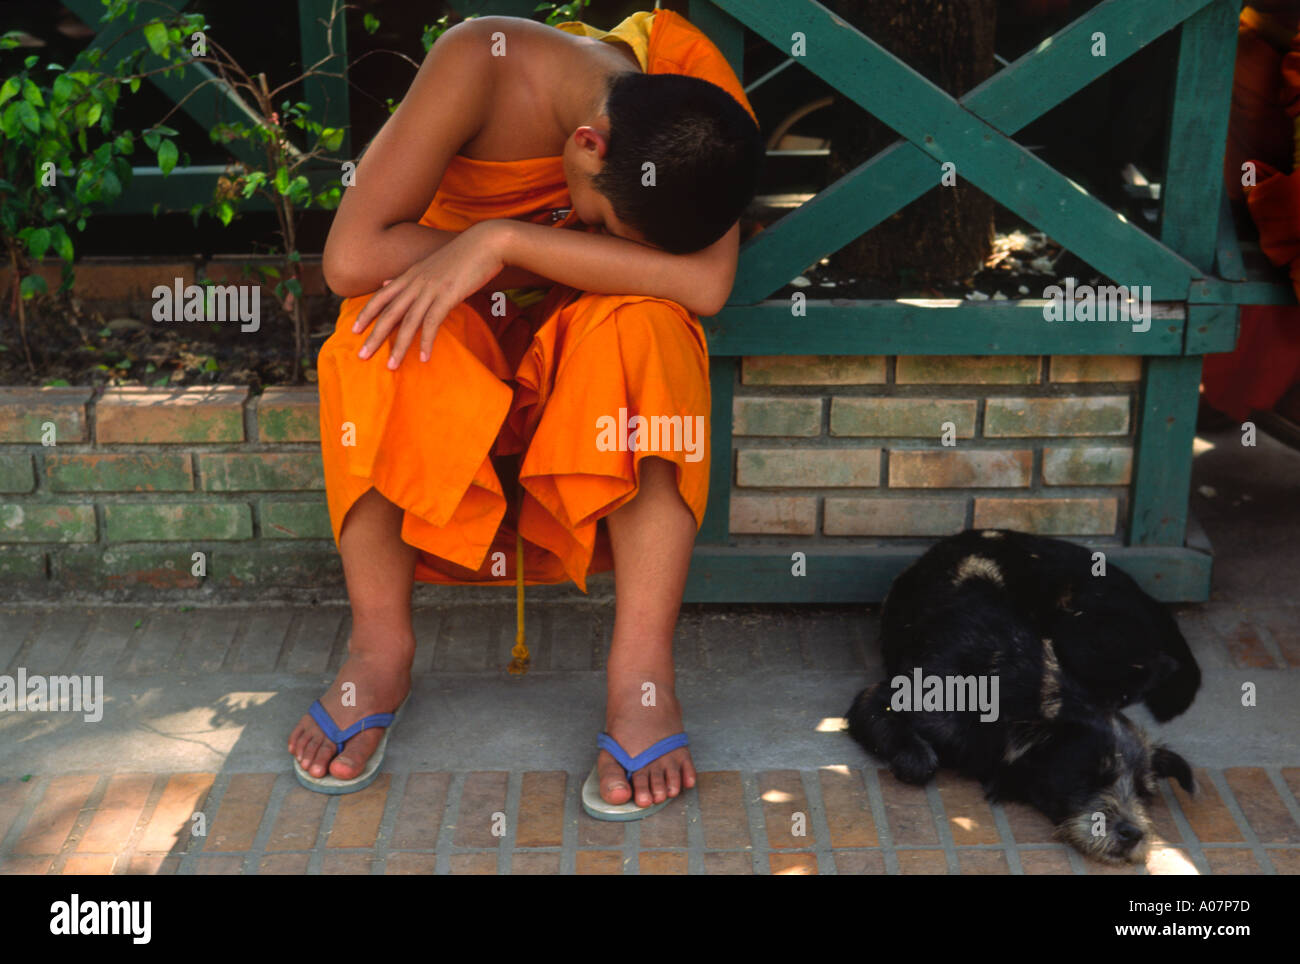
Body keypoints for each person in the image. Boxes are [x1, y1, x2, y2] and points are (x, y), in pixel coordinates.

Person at [286, 8, 763, 818]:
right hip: (461, 322)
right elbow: (351, 258)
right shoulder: (479, 59)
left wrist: (506, 242)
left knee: (652, 332)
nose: (587, 230)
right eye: (606, 222)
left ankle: (640, 678)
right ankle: (379, 649)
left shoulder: (696, 99)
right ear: (589, 145)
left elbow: (704, 287)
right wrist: (497, 251)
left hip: (587, 342)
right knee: (370, 331)